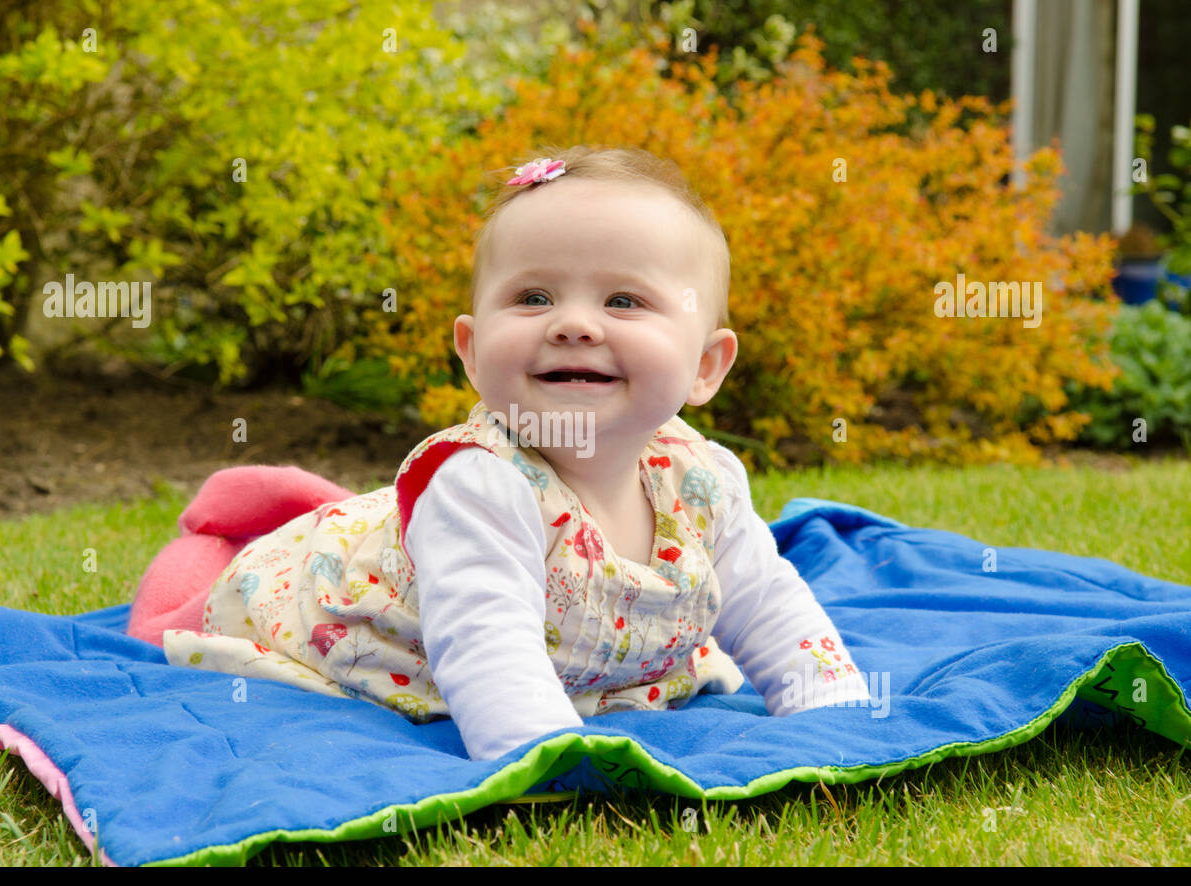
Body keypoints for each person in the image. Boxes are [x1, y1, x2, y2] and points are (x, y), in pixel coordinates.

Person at [158, 145, 872, 761]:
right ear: (471, 351)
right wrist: (547, 758)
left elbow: (766, 603)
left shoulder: (704, 481)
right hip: (347, 621)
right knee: (198, 600)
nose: (573, 324)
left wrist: (828, 700)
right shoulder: (481, 486)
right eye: (533, 296)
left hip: (557, 643)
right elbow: (487, 649)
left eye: (624, 301)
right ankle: (210, 550)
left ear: (706, 367)